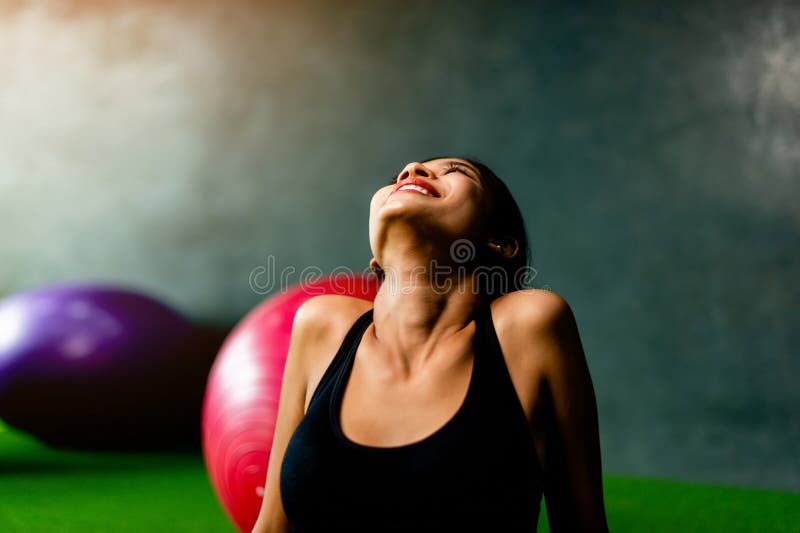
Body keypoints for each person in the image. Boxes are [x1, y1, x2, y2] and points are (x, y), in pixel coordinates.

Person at [252, 157, 608, 532]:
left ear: (500, 243)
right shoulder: (321, 325)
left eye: (455, 171)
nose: (413, 168)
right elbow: (272, 527)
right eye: (397, 177)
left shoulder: (530, 327)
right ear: (376, 257)